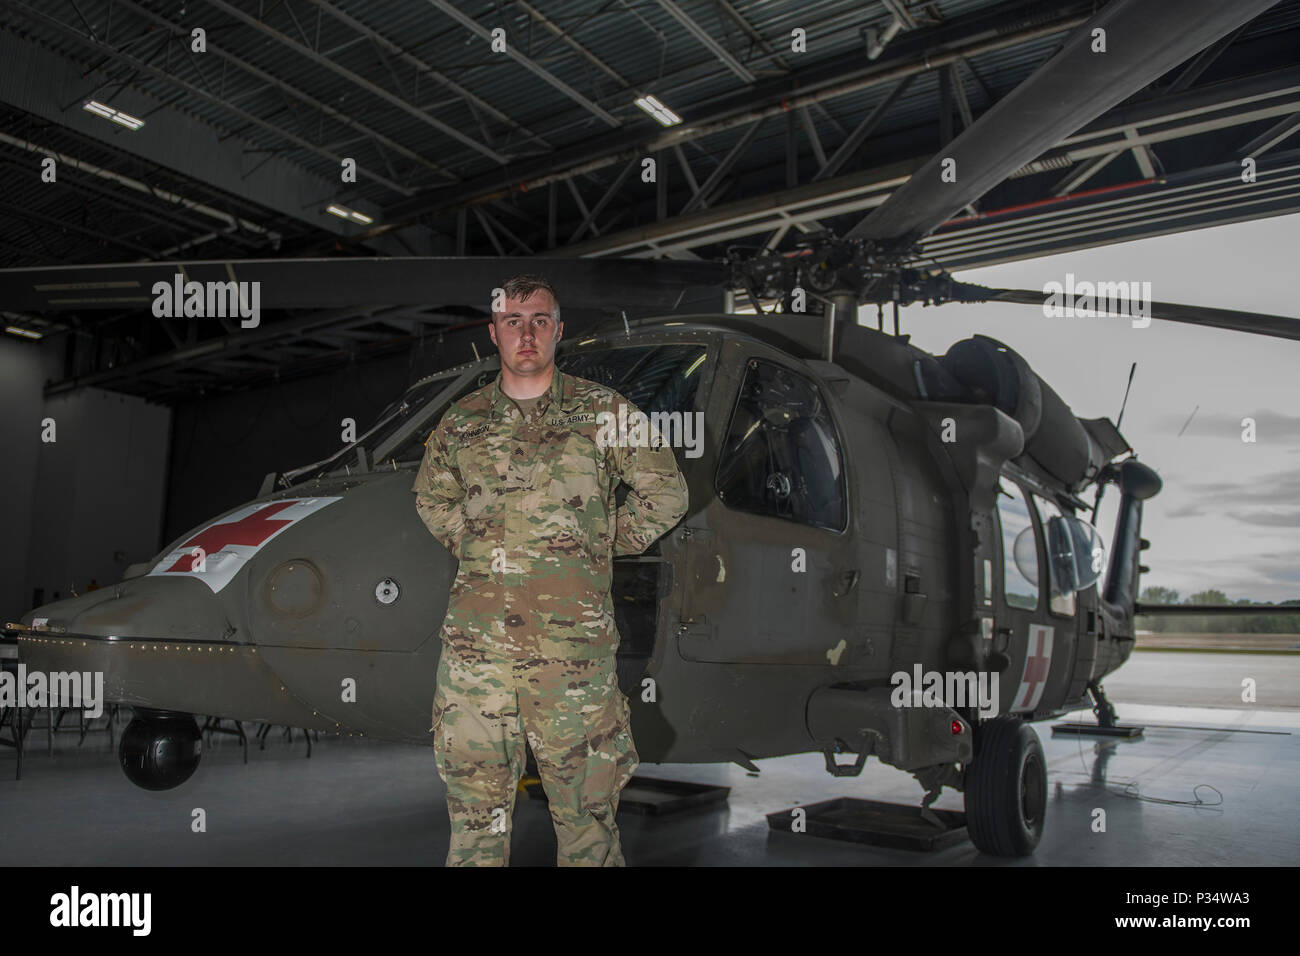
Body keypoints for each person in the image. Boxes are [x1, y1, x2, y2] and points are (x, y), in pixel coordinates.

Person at [412, 274, 688, 866]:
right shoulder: (461, 422)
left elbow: (666, 494)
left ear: (558, 331)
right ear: (494, 333)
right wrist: (477, 544)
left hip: (573, 658)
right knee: (473, 823)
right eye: (513, 320)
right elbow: (431, 500)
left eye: (539, 320)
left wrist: (593, 544)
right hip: (475, 658)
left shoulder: (604, 412)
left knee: (587, 824)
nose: (527, 332)